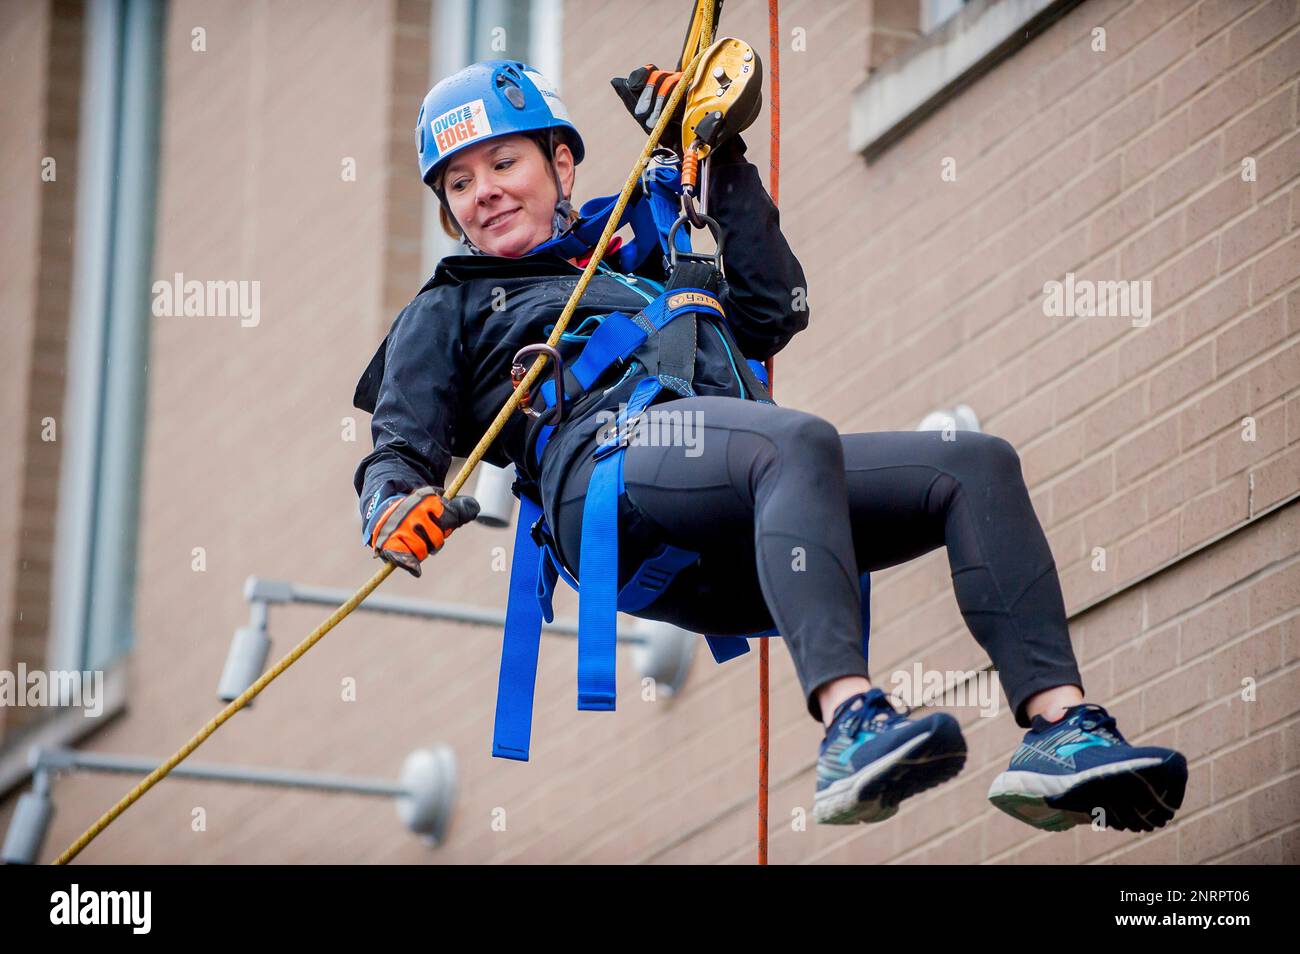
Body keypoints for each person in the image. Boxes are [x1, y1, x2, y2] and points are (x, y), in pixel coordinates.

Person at [352, 59, 1188, 833]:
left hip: (739, 515)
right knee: (793, 443)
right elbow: (399, 445)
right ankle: (850, 722)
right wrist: (392, 505)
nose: (483, 192)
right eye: (459, 183)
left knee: (973, 466)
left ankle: (1058, 732)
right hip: (608, 484)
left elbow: (773, 308)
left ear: (562, 165)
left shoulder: (640, 242)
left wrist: (718, 155)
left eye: (504, 165)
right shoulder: (451, 307)